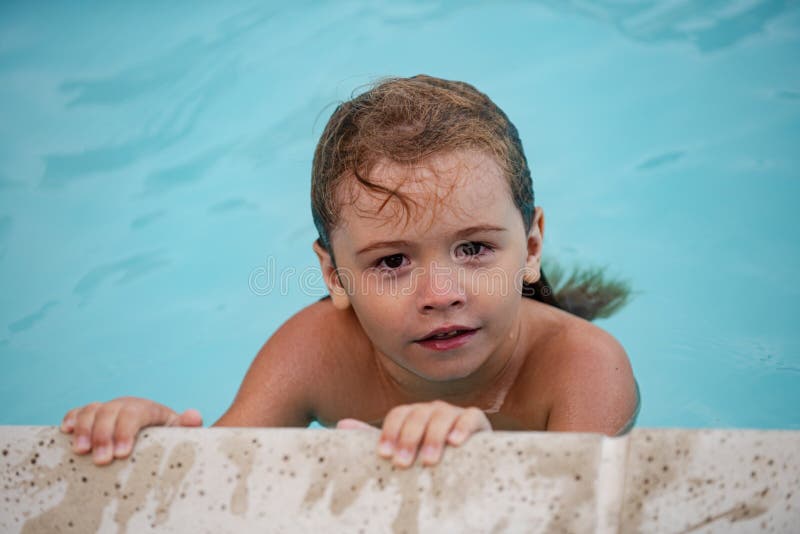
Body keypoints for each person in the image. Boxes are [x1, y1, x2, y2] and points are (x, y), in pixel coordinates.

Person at [61, 75, 640, 469]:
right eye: (392, 261)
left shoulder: (584, 367)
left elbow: (582, 511)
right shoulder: (315, 352)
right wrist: (152, 440)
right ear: (335, 277)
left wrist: (488, 469)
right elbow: (215, 469)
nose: (441, 295)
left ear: (532, 245)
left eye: (475, 249)